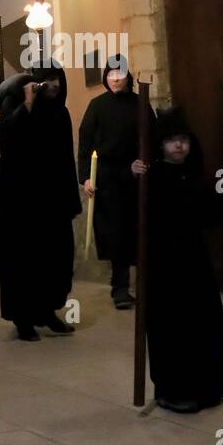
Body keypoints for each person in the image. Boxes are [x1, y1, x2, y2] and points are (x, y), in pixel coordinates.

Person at [136, 108, 223, 412]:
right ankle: (173, 389)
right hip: (163, 265)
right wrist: (133, 175)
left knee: (201, 322)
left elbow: (208, 216)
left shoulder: (193, 175)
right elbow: (135, 210)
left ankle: (206, 386)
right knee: (170, 326)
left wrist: (222, 194)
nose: (179, 146)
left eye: (184, 140)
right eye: (172, 140)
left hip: (194, 262)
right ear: (161, 144)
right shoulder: (152, 176)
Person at [0, 63, 81, 340]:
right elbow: (6, 135)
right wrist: (28, 105)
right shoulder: (16, 103)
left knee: (56, 259)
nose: (55, 85)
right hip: (21, 201)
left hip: (53, 201)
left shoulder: (61, 113)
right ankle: (23, 319)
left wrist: (71, 201)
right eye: (48, 80)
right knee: (23, 260)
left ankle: (47, 311)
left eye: (58, 80)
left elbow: (67, 159)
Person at [77, 55, 155, 310]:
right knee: (117, 235)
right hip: (109, 179)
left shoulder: (140, 104)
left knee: (141, 231)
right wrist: (86, 177)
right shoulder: (97, 106)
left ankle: (147, 286)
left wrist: (144, 164)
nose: (115, 79)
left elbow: (152, 138)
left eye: (119, 74)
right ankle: (120, 287)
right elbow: (86, 143)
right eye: (110, 74)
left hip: (136, 178)